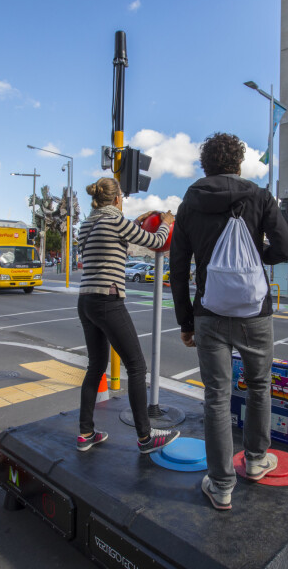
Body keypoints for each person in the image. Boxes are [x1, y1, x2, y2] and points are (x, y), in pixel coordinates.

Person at [169, 132, 288, 511]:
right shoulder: (258, 196)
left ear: (205, 165)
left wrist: (185, 321)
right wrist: (258, 258)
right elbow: (287, 248)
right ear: (238, 164)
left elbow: (178, 267)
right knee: (259, 387)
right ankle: (256, 461)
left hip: (208, 312)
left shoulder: (190, 201)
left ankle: (222, 484)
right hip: (254, 312)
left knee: (216, 398)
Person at [74, 177, 180, 454]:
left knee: (95, 367)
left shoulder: (88, 224)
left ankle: (85, 433)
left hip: (85, 300)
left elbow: (113, 234)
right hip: (108, 299)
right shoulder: (116, 222)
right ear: (118, 198)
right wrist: (166, 220)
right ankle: (146, 438)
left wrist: (136, 219)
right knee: (136, 366)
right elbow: (156, 240)